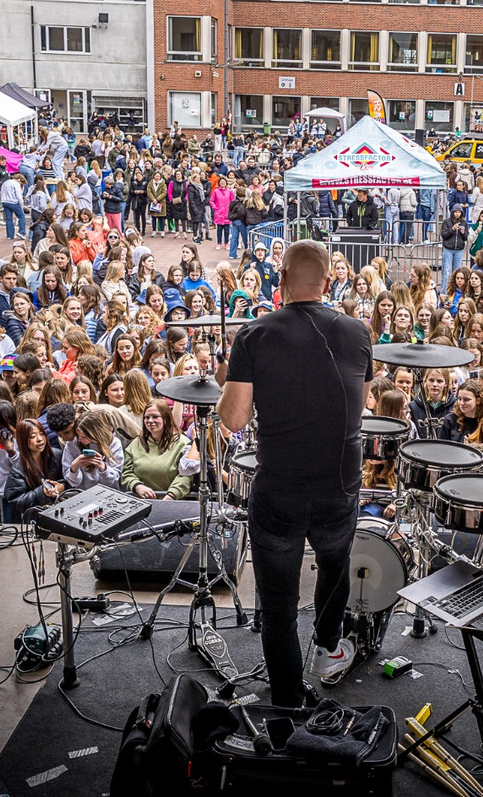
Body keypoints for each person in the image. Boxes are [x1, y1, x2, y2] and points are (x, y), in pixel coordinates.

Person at [216, 240, 373, 706]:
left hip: (280, 487)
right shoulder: (358, 332)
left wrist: (229, 379)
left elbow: (233, 419)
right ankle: (328, 649)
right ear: (328, 281)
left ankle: (286, 695)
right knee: (334, 565)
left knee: (279, 599)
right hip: (339, 484)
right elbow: (359, 405)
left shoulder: (255, 334)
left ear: (281, 278)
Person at [122, 399, 196, 500]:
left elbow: (186, 475)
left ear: (166, 418)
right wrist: (137, 486)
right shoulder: (135, 443)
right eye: (146, 417)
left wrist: (172, 495)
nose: (150, 421)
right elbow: (127, 473)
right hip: (142, 501)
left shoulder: (183, 443)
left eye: (155, 417)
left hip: (173, 502)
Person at [62, 409, 126, 490]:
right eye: (77, 435)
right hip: (81, 491)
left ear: (95, 434)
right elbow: (72, 483)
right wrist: (74, 468)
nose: (79, 439)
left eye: (84, 437)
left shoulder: (114, 443)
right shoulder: (72, 444)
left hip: (107, 491)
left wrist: (103, 468)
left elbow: (114, 480)